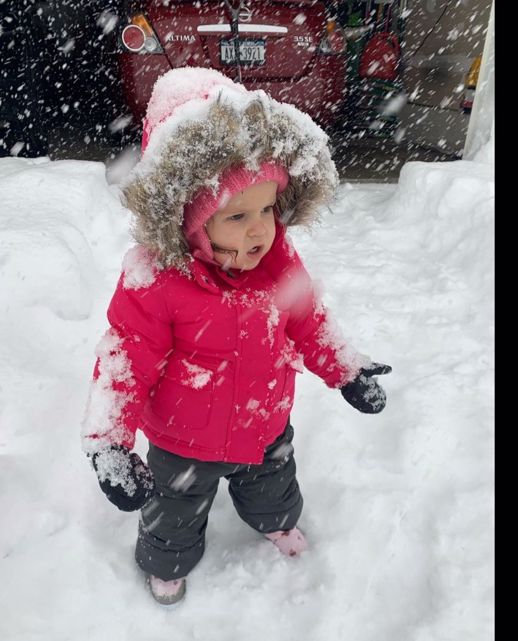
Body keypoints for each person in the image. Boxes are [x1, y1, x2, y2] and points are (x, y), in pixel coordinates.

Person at [80, 67, 391, 607]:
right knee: (173, 515)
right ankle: (166, 564)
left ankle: (275, 523)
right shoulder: (155, 282)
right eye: (238, 215)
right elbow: (124, 359)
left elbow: (309, 322)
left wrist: (347, 368)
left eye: (269, 208)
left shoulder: (279, 264)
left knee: (273, 488)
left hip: (264, 424)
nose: (259, 230)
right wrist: (110, 443)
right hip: (181, 444)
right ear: (190, 222)